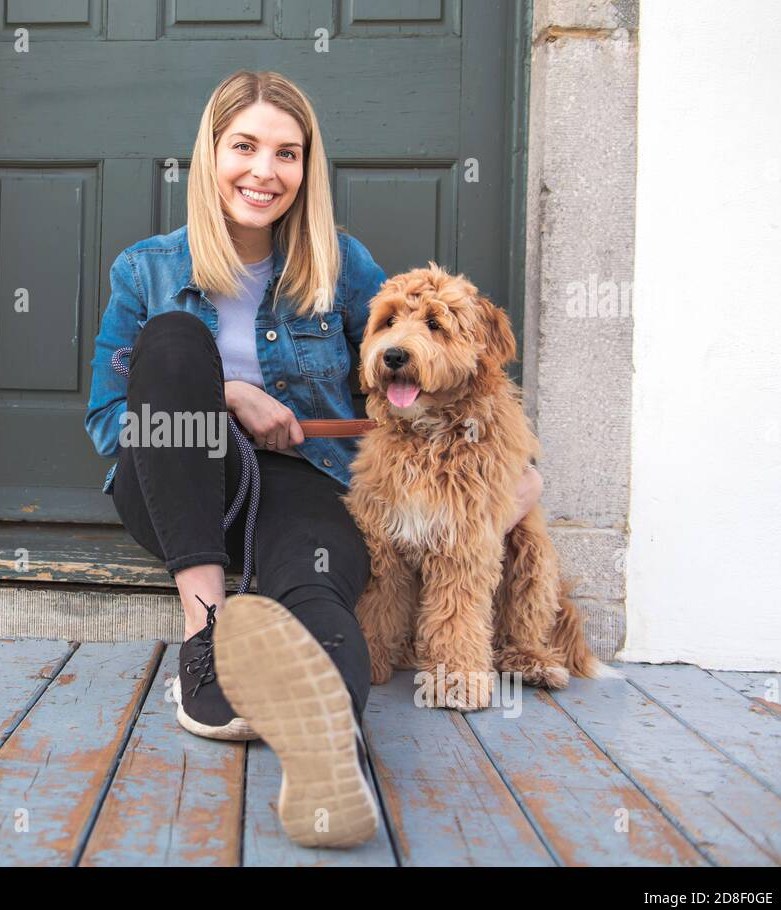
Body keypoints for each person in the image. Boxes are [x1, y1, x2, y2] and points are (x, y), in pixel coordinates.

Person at [84, 70, 543, 847]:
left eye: (287, 154)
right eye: (245, 147)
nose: (265, 172)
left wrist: (497, 460)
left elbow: (419, 360)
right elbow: (109, 421)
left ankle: (330, 749)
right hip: (175, 480)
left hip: (301, 483)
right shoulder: (146, 269)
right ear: (212, 154)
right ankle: (205, 635)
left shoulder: (340, 264)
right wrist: (226, 392)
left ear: (306, 168)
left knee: (324, 586)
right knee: (172, 340)